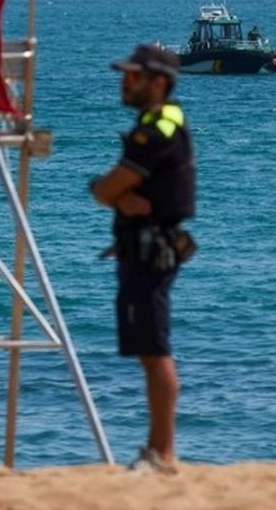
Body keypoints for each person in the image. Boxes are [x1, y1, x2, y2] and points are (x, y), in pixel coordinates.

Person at [90, 44, 196, 475]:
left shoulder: (155, 133)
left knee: (155, 351)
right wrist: (116, 193)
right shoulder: (159, 123)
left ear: (158, 83)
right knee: (150, 350)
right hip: (146, 247)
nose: (124, 82)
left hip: (151, 251)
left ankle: (163, 454)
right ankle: (157, 450)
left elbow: (107, 188)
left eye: (133, 76)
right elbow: (114, 190)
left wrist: (110, 191)